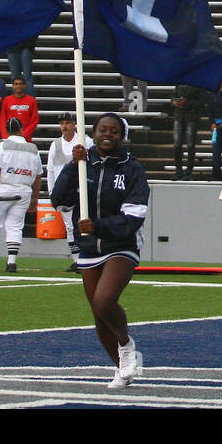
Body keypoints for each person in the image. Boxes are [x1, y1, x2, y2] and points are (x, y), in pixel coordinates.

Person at [51, 113, 149, 388]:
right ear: (93, 134)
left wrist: (98, 226)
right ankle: (122, 368)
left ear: (122, 136)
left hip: (120, 245)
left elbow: (134, 216)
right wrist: (73, 165)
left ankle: (127, 347)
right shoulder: (84, 164)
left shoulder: (132, 169)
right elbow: (58, 199)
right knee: (98, 313)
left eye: (114, 131)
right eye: (102, 130)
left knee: (105, 300)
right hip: (89, 248)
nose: (107, 135)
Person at [45, 112, 81, 268]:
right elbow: (50, 169)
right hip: (63, 192)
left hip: (80, 190)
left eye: (67, 123)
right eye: (62, 124)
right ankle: (76, 259)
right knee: (69, 226)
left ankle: (84, 257)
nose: (64, 126)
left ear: (73, 124)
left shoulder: (83, 141)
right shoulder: (56, 144)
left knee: (80, 224)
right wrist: (51, 191)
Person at [169, 83, 208, 181]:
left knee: (190, 144)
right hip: (179, 115)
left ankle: (189, 171)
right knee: (177, 144)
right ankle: (179, 170)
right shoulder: (180, 82)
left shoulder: (198, 83)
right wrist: (175, 102)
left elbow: (201, 102)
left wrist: (186, 103)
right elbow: (173, 96)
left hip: (191, 115)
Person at [0, 76, 39, 142]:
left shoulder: (31, 100)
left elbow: (34, 120)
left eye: (20, 84)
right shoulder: (6, 100)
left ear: (25, 86)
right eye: (16, 84)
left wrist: (24, 134)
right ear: (13, 86)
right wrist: (5, 136)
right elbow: (2, 119)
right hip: (10, 138)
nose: (18, 86)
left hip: (26, 139)